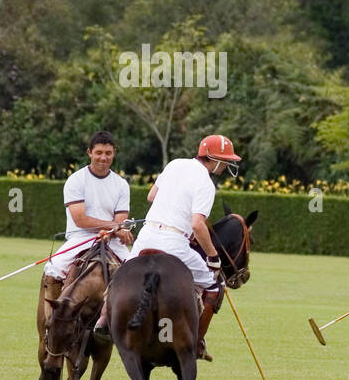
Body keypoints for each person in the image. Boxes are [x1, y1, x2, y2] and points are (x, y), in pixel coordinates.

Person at [95, 135, 241, 362]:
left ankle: (104, 319)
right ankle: (196, 342)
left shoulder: (174, 164)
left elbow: (151, 195)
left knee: (121, 276)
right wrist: (213, 257)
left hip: (147, 236)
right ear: (214, 159)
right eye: (225, 160)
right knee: (215, 285)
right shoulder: (206, 184)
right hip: (174, 244)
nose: (228, 164)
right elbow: (197, 224)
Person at [41, 131, 133, 325]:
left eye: (108, 153)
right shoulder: (76, 180)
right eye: (99, 152)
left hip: (111, 241)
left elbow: (121, 218)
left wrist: (116, 232)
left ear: (114, 153)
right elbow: (80, 219)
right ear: (90, 152)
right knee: (54, 270)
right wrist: (115, 227)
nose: (103, 157)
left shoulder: (121, 184)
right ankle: (54, 323)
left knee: (136, 272)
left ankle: (128, 327)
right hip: (80, 237)